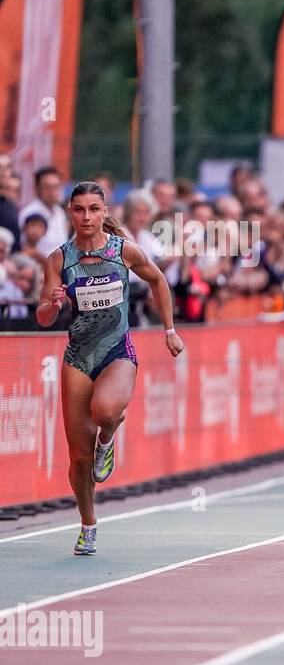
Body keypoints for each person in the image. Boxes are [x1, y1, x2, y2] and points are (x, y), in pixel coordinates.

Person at [33, 181, 184, 556]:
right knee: (78, 457)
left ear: (104, 212)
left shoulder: (123, 251)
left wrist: (169, 330)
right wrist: (53, 304)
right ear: (71, 212)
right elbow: (43, 316)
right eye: (80, 209)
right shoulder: (59, 259)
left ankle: (108, 439)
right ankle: (88, 524)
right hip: (77, 358)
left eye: (94, 210)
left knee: (105, 411)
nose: (87, 217)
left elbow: (158, 280)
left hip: (117, 350)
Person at [19, 166, 70, 256]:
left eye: (56, 186)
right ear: (37, 188)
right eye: (47, 187)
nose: (52, 191)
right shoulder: (29, 213)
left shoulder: (60, 212)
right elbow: (25, 248)